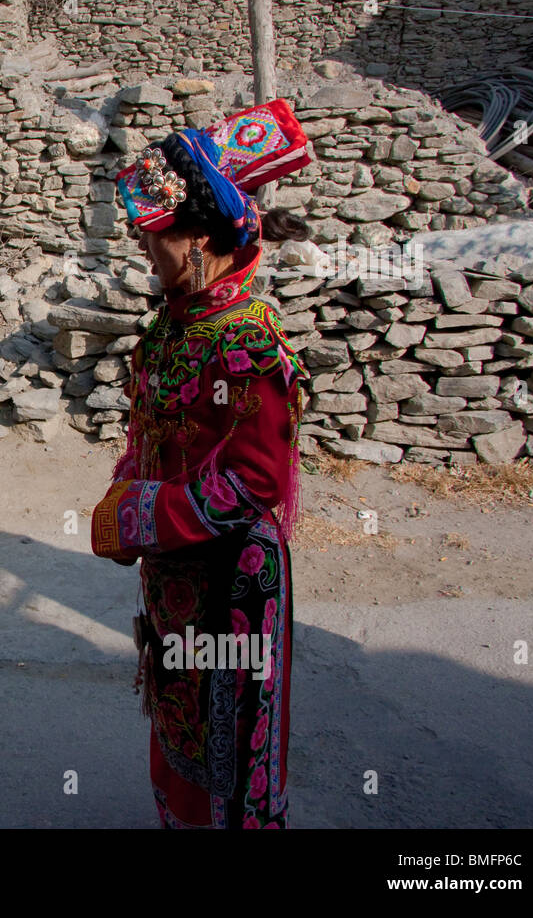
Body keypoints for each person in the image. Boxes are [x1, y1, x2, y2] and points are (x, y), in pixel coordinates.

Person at [90, 101, 314, 828]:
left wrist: (143, 515)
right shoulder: (173, 325)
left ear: (201, 239)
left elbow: (256, 479)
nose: (146, 256)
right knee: (177, 723)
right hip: (175, 572)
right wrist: (127, 484)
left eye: (155, 240)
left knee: (225, 747)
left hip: (230, 581)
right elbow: (149, 427)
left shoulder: (248, 341)